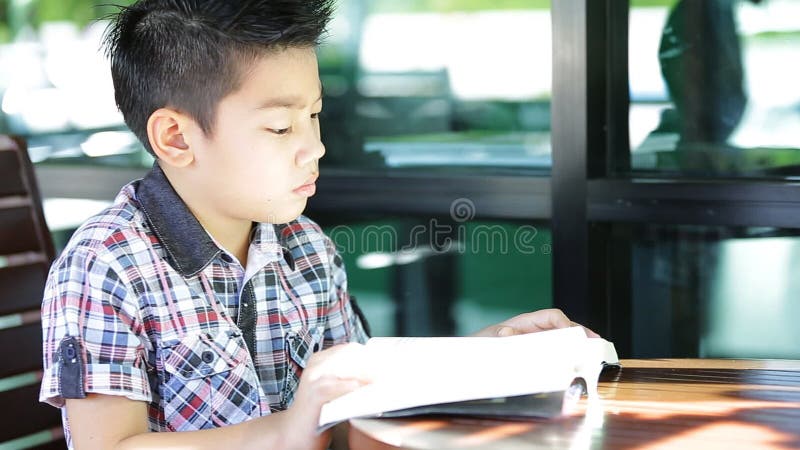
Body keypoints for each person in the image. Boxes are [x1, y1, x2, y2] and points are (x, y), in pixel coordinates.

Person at [39, 1, 596, 449]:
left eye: (314, 115)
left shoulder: (305, 247)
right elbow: (108, 445)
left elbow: (358, 409)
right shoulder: (104, 263)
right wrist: (286, 432)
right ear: (177, 138)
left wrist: (483, 360)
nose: (316, 147)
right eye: (282, 128)